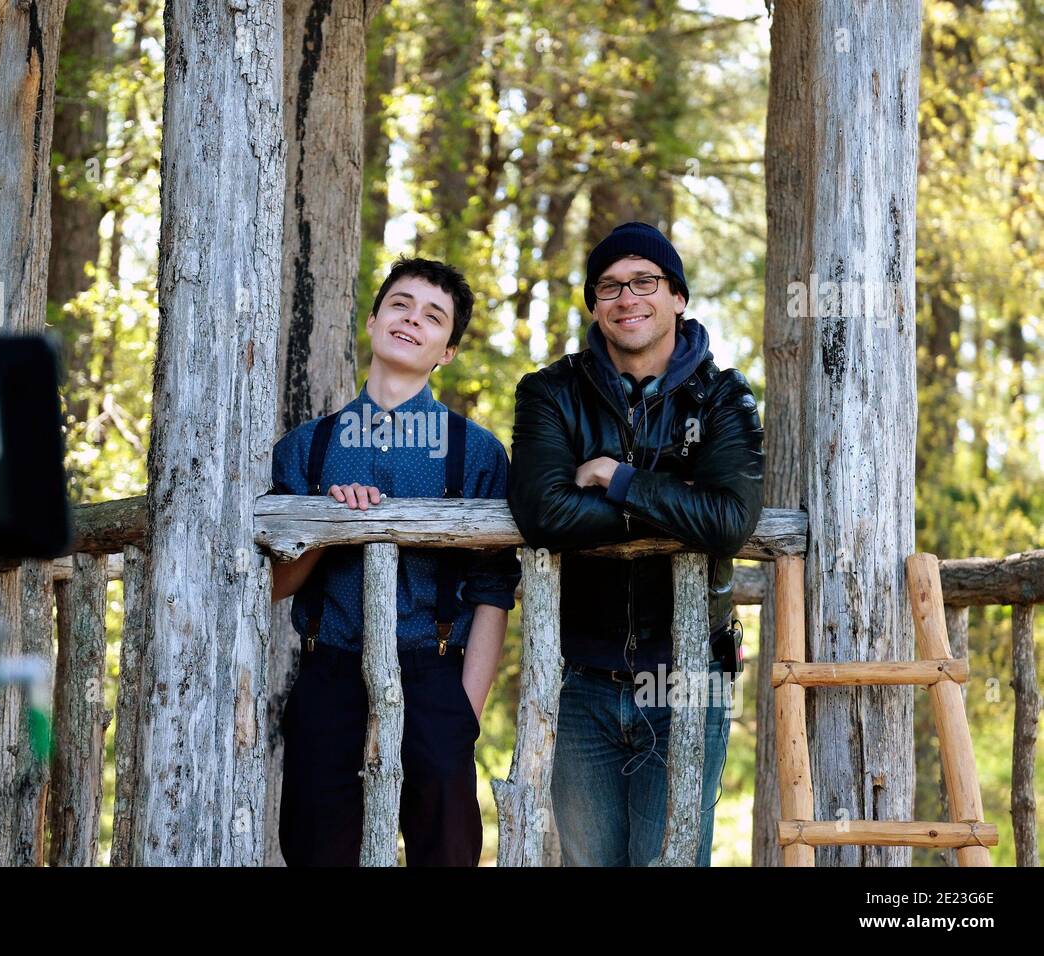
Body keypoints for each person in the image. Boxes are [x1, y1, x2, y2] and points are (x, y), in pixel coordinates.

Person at [507, 221, 764, 866]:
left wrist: (615, 479)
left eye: (645, 281)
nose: (628, 298)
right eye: (610, 286)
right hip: (578, 675)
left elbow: (729, 519)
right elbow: (542, 514)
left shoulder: (725, 398)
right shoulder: (549, 392)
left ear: (677, 296)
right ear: (595, 304)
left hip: (688, 677)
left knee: (669, 861)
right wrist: (670, 499)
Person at [270, 256, 521, 866]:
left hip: (434, 676)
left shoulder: (478, 453)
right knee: (316, 853)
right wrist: (328, 527)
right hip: (328, 674)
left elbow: (493, 591)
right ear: (374, 318)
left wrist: (465, 709)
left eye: (434, 317)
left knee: (446, 855)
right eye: (401, 305)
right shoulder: (308, 446)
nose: (413, 320)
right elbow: (275, 585)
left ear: (447, 351)